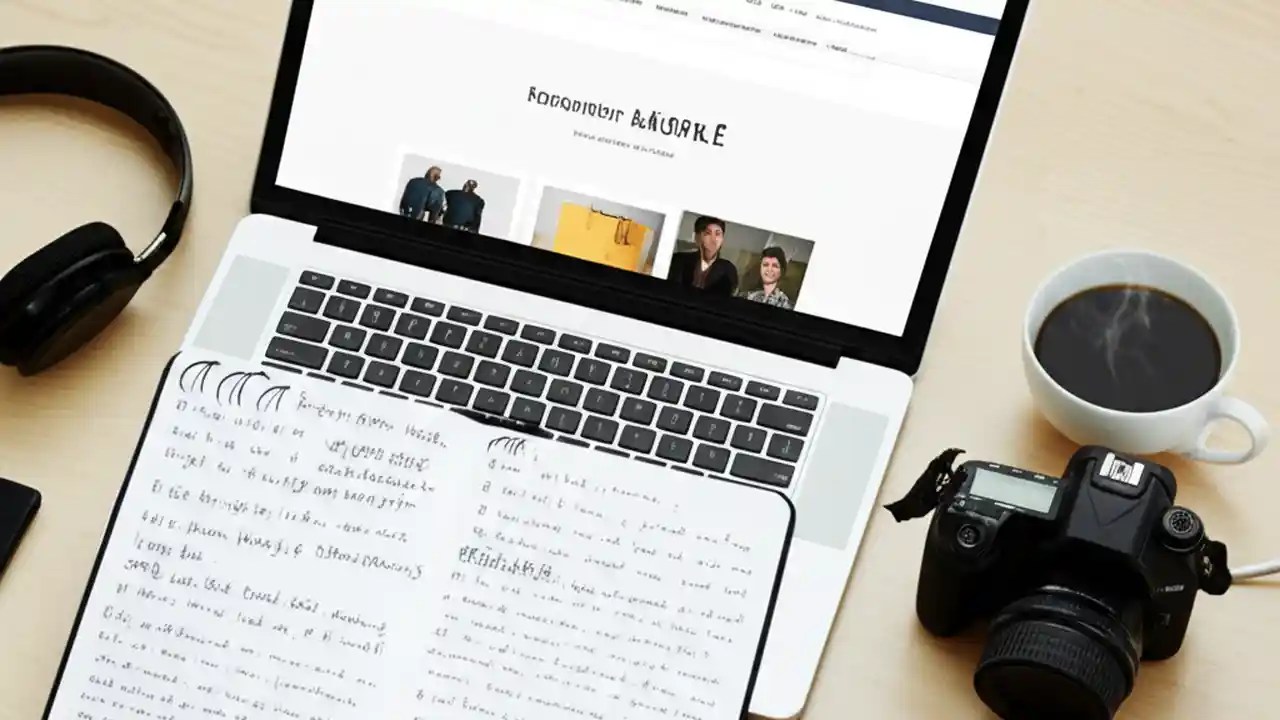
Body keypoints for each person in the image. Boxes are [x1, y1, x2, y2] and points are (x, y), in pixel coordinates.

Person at [666, 215, 738, 297]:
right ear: (697, 237)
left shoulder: (728, 269)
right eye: (708, 233)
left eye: (718, 234)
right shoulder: (677, 260)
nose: (713, 240)